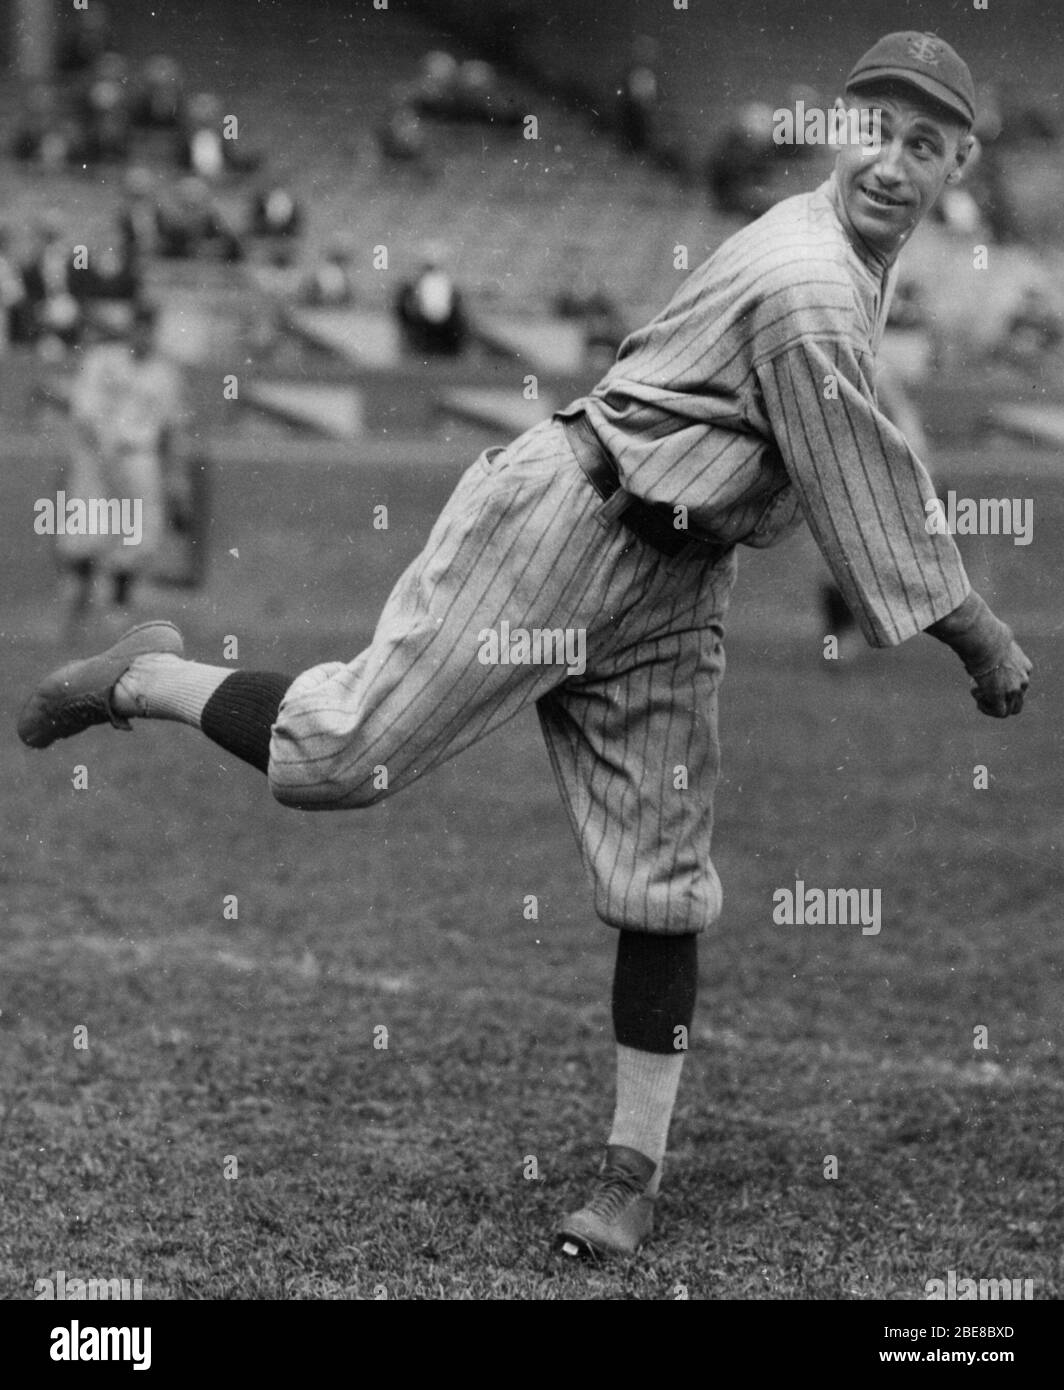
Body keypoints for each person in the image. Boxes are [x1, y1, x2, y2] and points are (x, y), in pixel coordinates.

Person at [18, 33, 1032, 1261]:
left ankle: (628, 1172)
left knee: (663, 874)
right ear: (836, 129)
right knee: (336, 755)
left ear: (956, 163)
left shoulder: (856, 264)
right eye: (875, 128)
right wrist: (976, 640)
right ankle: (142, 675)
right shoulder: (807, 275)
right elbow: (856, 483)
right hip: (570, 521)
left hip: (675, 575)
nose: (890, 161)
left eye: (922, 143)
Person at [51, 302, 187, 631]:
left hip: (140, 455)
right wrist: (103, 454)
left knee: (137, 533)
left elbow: (169, 428)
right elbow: (83, 412)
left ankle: (119, 605)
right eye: (138, 328)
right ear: (130, 329)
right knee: (87, 527)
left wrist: (174, 475)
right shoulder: (102, 360)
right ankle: (79, 599)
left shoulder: (165, 373)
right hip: (99, 453)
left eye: (149, 329)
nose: (143, 336)